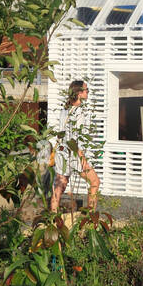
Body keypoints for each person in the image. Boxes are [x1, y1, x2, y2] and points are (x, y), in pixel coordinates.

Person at [50, 79, 100, 213]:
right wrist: (82, 158)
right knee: (94, 182)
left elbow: (62, 133)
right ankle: (90, 218)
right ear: (79, 93)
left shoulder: (65, 109)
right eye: (86, 90)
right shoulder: (79, 112)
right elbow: (75, 138)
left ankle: (53, 218)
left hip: (62, 152)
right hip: (74, 153)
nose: (87, 92)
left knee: (59, 186)